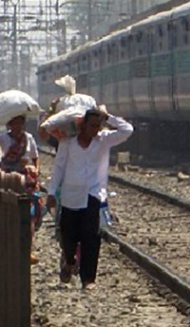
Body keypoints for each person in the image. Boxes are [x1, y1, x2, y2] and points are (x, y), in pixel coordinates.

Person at [45, 107, 133, 289]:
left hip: (93, 195)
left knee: (91, 238)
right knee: (68, 237)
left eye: (98, 125)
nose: (95, 130)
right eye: (92, 125)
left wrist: (109, 117)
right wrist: (52, 192)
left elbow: (127, 130)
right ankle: (69, 261)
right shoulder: (68, 144)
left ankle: (88, 279)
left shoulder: (103, 140)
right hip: (70, 196)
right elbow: (59, 168)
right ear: (83, 126)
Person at [0, 114, 42, 264]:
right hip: (6, 179)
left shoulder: (28, 138)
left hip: (25, 179)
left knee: (29, 214)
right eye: (15, 123)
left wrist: (35, 169)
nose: (18, 126)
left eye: (20, 123)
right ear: (9, 124)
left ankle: (27, 249)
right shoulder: (3, 138)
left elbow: (35, 158)